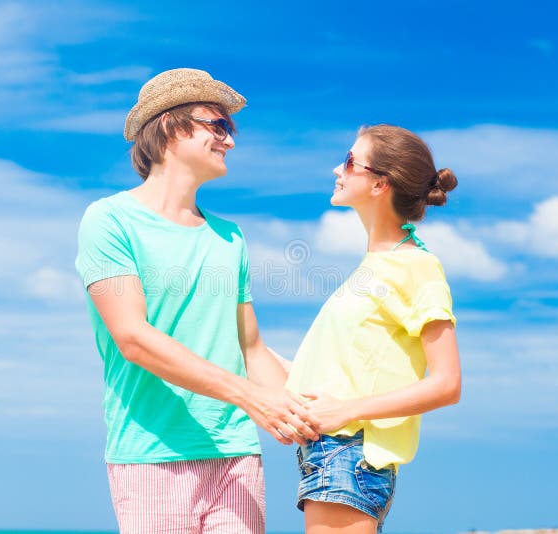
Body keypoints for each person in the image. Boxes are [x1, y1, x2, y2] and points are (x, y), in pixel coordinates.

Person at [75, 68, 319, 534]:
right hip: (152, 456)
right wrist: (250, 397)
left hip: (236, 456)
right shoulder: (109, 220)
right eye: (219, 126)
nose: (230, 141)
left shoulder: (231, 237)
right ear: (171, 126)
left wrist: (313, 408)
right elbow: (133, 338)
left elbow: (251, 349)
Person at [285, 124, 462, 534]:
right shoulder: (373, 268)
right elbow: (334, 373)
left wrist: (346, 411)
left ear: (381, 183)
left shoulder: (416, 266)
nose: (337, 169)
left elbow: (448, 384)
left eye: (350, 161)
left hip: (348, 453)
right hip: (333, 455)